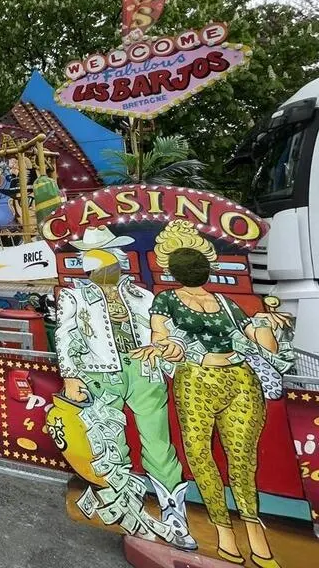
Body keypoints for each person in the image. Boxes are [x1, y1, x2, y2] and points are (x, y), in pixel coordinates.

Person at [135, 220, 293, 567]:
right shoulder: (166, 302)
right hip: (196, 379)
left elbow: (259, 340)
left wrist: (267, 323)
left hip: (240, 380)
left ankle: (254, 530)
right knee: (200, 456)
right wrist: (171, 348)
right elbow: (160, 338)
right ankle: (223, 530)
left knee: (243, 460)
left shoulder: (225, 302)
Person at [56, 226, 195, 550]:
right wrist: (72, 376)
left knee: (159, 445)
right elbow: (65, 337)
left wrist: (170, 346)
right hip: (99, 376)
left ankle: (174, 515)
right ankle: (126, 511)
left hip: (145, 373)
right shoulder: (74, 295)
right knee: (109, 446)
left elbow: (168, 331)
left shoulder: (144, 296)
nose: (103, 263)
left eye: (108, 255)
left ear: (118, 257)